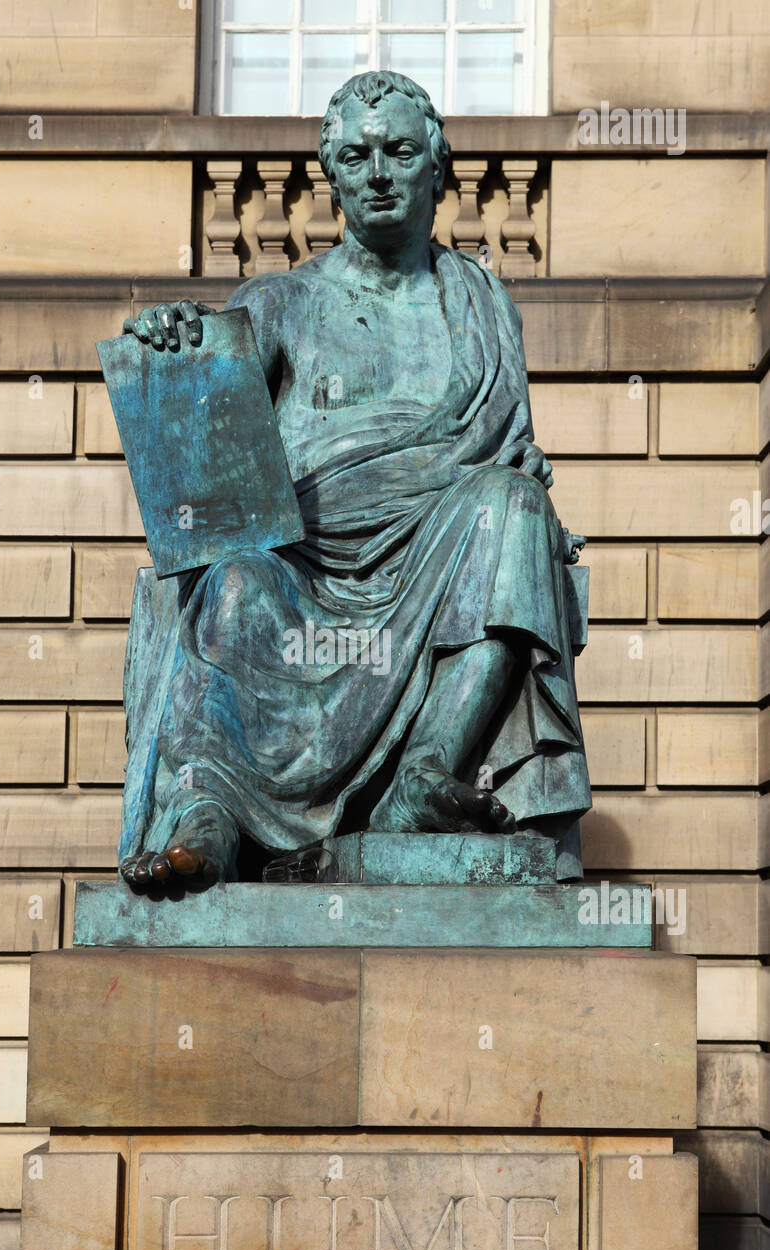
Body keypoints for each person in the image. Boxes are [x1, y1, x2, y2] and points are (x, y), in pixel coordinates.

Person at [118, 70, 590, 887]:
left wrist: (532, 504)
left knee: (513, 509)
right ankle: (210, 819)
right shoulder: (280, 302)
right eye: (355, 154)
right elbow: (201, 447)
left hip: (435, 559)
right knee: (230, 582)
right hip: (299, 568)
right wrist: (173, 347)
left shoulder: (480, 303)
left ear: (437, 171)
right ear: (332, 176)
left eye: (400, 150)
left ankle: (425, 777)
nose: (378, 172)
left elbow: (513, 455)